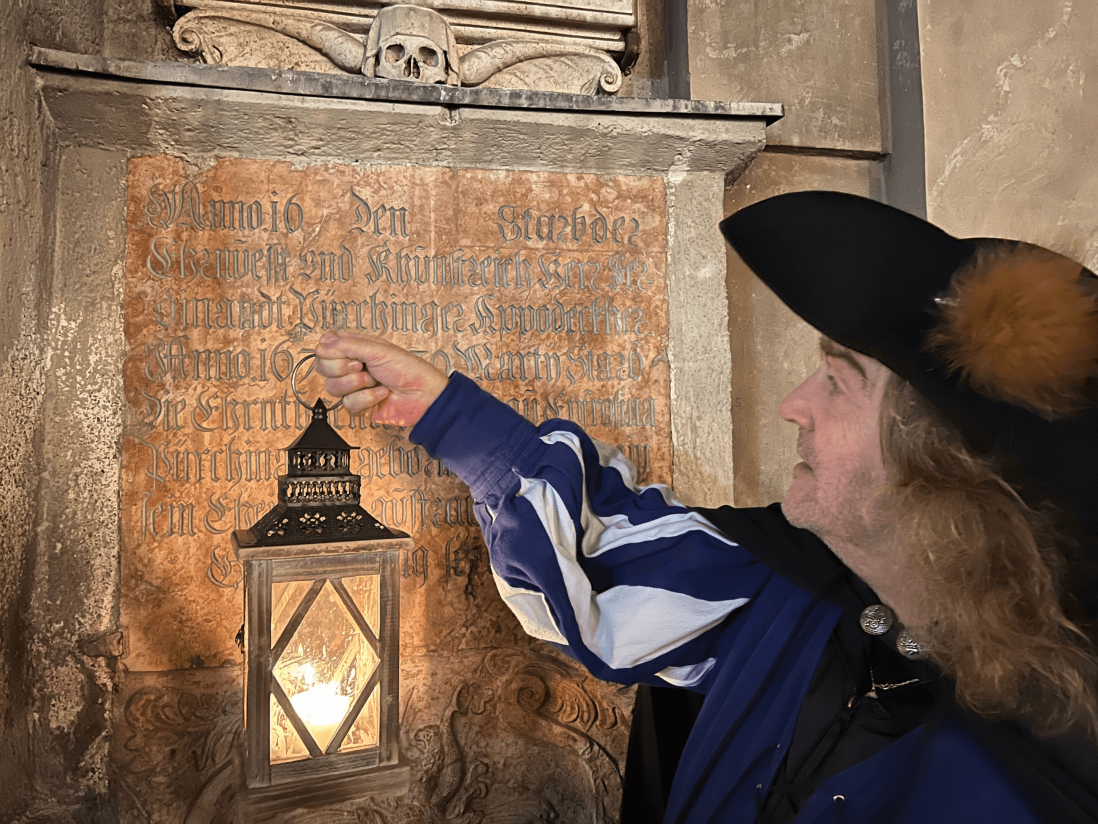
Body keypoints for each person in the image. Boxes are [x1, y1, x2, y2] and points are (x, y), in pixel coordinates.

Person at [315, 191, 1098, 823]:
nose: (793, 404)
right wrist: (444, 412)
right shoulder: (786, 586)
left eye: (837, 380)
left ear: (935, 470)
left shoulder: (1044, 776)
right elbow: (606, 570)